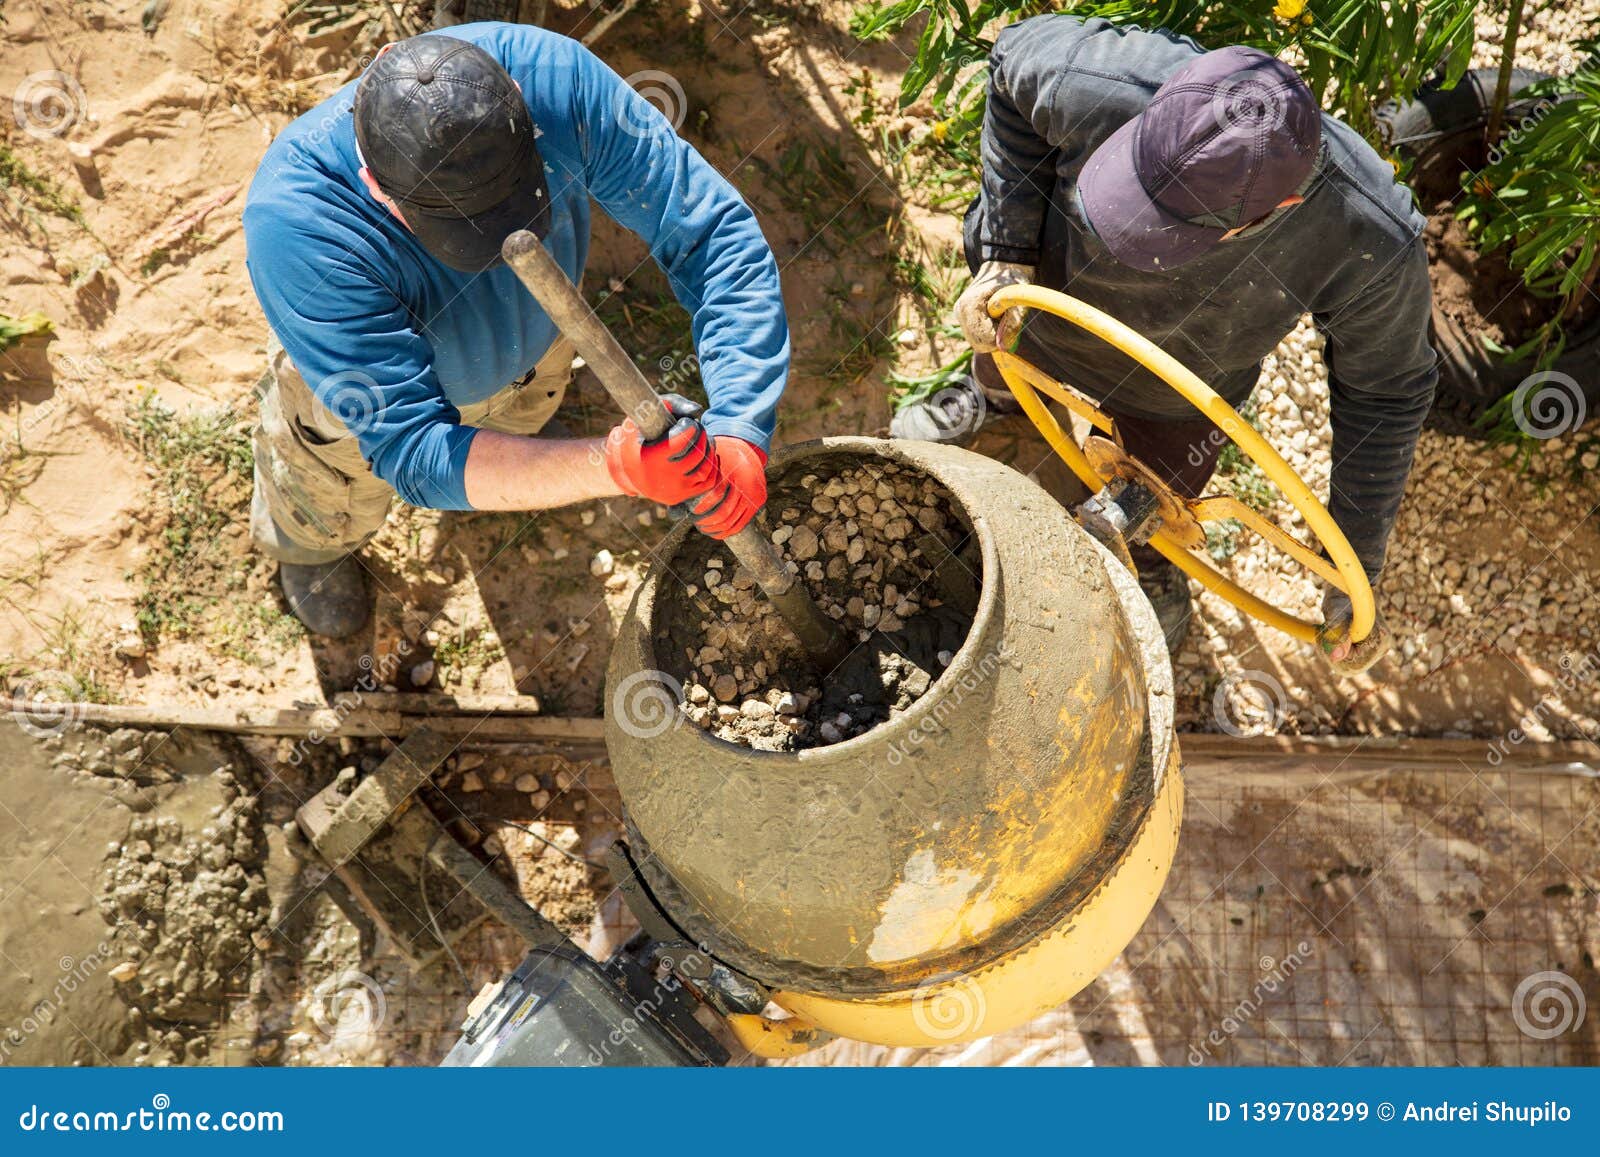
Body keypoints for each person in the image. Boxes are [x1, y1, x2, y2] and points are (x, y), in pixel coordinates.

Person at [895, 15, 1433, 673]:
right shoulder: (1101, 77)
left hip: (1181, 387)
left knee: (1159, 491)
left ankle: (1149, 557)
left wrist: (1352, 568)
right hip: (1041, 303)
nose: (1134, 236)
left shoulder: (1367, 230)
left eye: (1168, 228)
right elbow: (1009, 75)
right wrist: (1006, 255)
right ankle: (998, 408)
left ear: (1283, 206)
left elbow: (1386, 392)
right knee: (1005, 361)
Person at [242, 23, 787, 637]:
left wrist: (741, 423)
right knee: (330, 491)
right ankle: (313, 551)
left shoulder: (552, 79)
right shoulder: (299, 226)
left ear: (521, 111)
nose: (501, 241)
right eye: (467, 228)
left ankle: (513, 452)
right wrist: (613, 467)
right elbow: (414, 452)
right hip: (356, 397)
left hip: (540, 332)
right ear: (376, 188)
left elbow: (710, 234)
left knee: (523, 416)